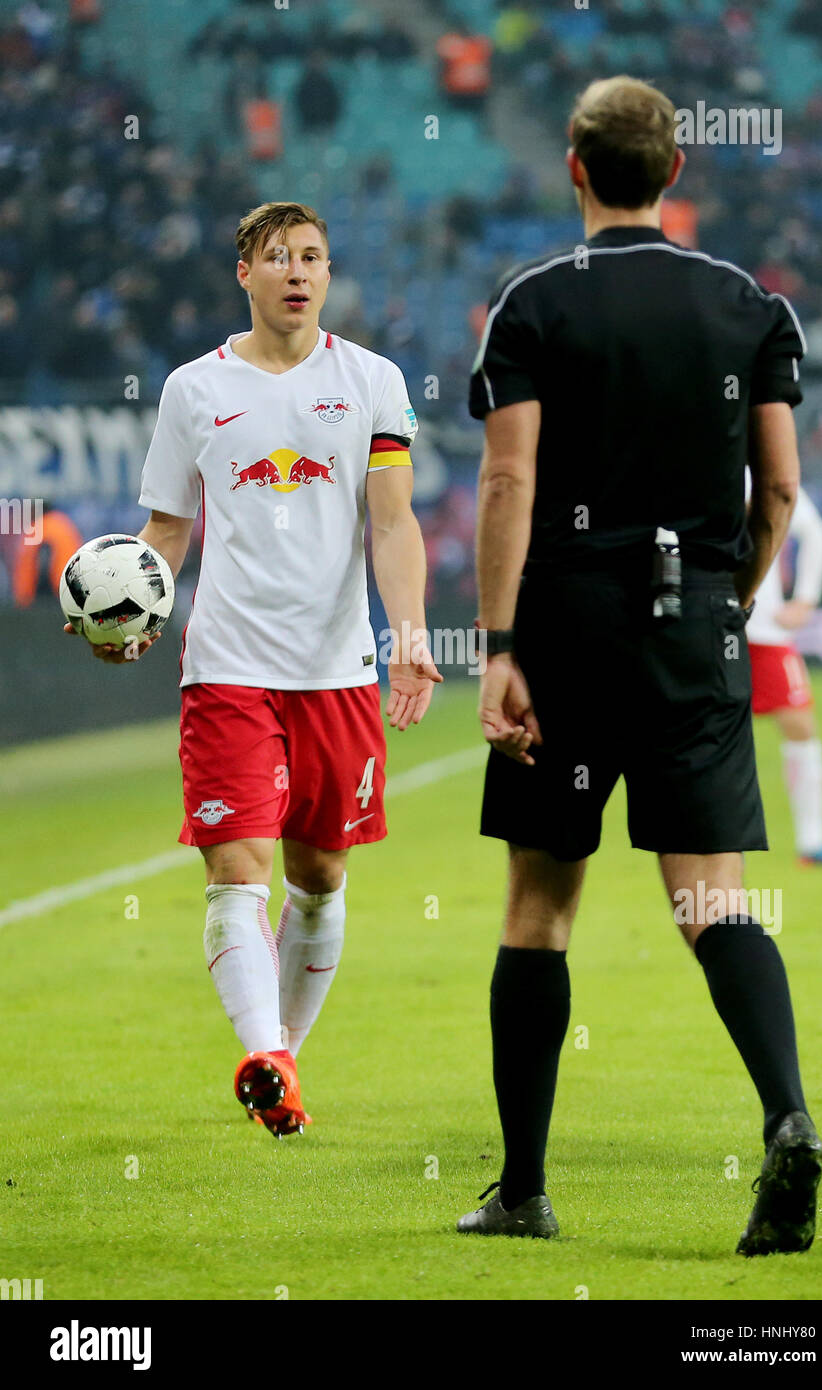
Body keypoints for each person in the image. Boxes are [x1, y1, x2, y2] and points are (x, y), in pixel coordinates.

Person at [460, 77, 822, 1253]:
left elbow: (508, 481)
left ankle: (521, 1189)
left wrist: (501, 645)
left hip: (564, 631)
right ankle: (785, 1116)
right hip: (693, 630)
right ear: (674, 172)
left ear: (572, 166)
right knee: (709, 897)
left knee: (537, 906)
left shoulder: (531, 307)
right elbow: (776, 488)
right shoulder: (747, 306)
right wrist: (734, 592)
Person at [65, 200, 441, 1137]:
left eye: (312, 256)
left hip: (338, 670)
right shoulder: (194, 389)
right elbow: (166, 529)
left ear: (327, 271)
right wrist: (136, 609)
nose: (297, 272)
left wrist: (411, 632)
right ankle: (266, 1054)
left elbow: (391, 523)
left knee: (319, 879)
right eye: (278, 258)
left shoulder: (373, 381)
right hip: (229, 665)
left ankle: (282, 1064)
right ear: (246, 273)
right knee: (237, 872)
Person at [747, 483, 822, 868]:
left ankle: (813, 844)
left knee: (799, 724)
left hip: (763, 628)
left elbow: (814, 534)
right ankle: (700, 842)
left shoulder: (757, 466)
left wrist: (806, 599)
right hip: (699, 627)